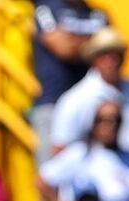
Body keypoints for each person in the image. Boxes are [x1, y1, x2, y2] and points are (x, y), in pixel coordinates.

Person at [37, 97, 129, 201]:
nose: (111, 125)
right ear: (94, 123)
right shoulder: (82, 154)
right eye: (104, 120)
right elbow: (42, 180)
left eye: (116, 120)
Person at [31, 0, 110, 165]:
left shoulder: (99, 14)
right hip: (53, 102)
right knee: (52, 170)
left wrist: (74, 40)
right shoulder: (47, 8)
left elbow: (111, 49)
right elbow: (64, 48)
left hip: (93, 107)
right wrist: (95, 45)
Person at [49, 27, 129, 155]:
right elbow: (60, 148)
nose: (111, 60)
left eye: (116, 53)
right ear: (93, 59)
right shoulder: (77, 99)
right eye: (104, 54)